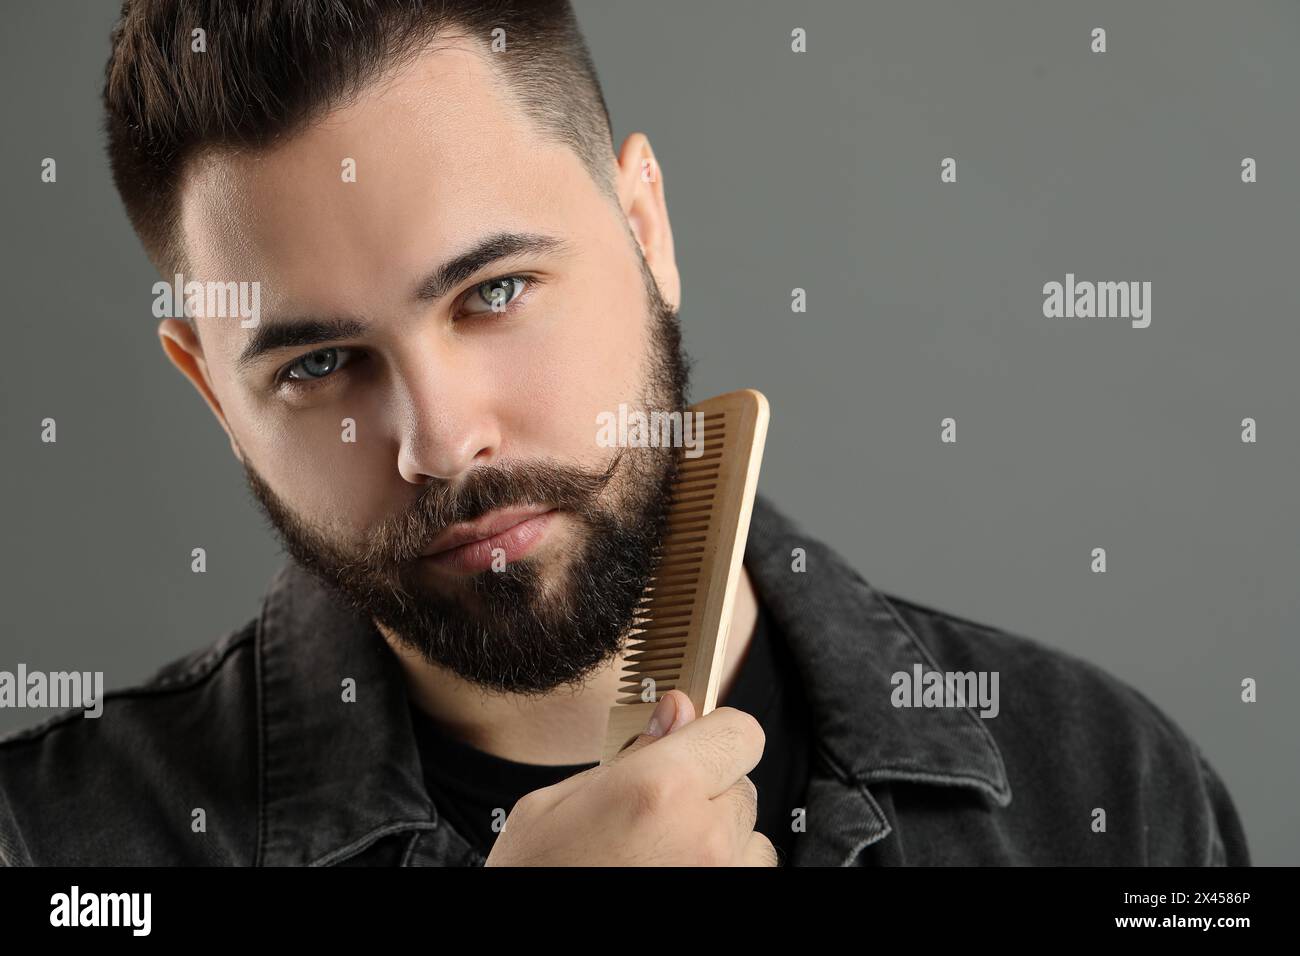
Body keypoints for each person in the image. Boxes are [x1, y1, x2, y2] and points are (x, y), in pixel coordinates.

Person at [0, 0, 1249, 867]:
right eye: (318, 363)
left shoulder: (1106, 787)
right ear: (213, 393)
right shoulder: (50, 846)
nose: (441, 441)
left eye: (493, 291)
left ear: (645, 228)